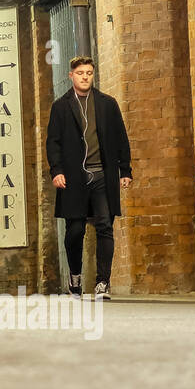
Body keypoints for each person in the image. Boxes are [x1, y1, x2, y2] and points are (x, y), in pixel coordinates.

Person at [45, 55, 132, 300]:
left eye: (89, 73)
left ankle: (103, 282)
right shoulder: (61, 106)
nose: (85, 77)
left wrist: (125, 170)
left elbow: (121, 138)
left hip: (103, 175)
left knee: (105, 225)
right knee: (74, 230)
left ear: (93, 75)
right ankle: (75, 278)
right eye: (80, 73)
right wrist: (56, 170)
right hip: (73, 177)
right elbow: (53, 142)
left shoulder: (107, 104)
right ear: (71, 76)